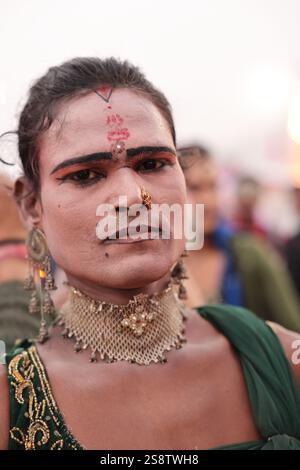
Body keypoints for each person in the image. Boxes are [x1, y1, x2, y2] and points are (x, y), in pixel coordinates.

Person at [0, 58, 299, 451]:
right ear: (31, 203)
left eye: (153, 164)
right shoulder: (12, 402)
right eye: (85, 175)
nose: (131, 197)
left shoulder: (280, 358)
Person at [178, 144, 300, 332]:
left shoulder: (248, 254)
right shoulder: (159, 267)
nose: (209, 201)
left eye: (213, 186)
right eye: (194, 188)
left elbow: (293, 331)